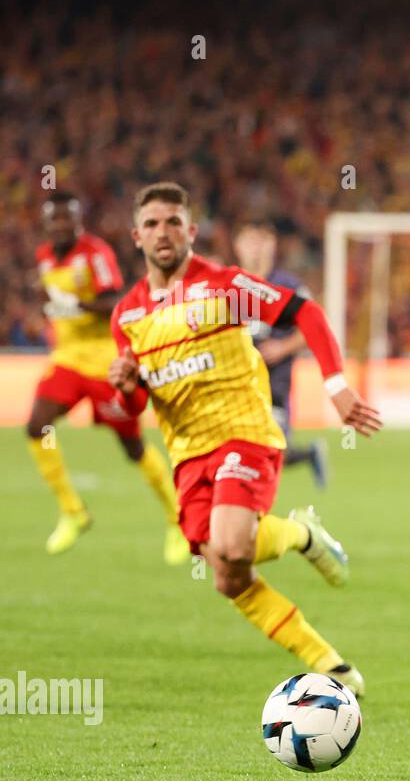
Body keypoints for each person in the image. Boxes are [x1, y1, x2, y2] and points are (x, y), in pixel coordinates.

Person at [106, 183, 382, 698]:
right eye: (151, 224)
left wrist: (337, 388)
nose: (162, 232)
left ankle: (300, 538)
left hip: (244, 433)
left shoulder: (225, 286)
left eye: (173, 222)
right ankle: (330, 659)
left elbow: (307, 313)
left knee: (234, 545)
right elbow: (136, 405)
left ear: (191, 231)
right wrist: (125, 387)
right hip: (187, 453)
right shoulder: (126, 317)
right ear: (135, 236)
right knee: (229, 577)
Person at [26, 193, 188, 561]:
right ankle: (72, 510)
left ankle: (176, 519)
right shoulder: (44, 258)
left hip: (105, 362)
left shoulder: (95, 254)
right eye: (55, 220)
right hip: (67, 360)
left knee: (133, 449)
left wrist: (77, 305)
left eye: (67, 219)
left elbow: (114, 301)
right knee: (38, 427)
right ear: (47, 223)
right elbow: (53, 301)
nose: (61, 226)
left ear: (78, 220)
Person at [233, 220, 328, 488]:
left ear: (272, 244)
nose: (256, 249)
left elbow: (313, 327)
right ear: (237, 245)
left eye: (262, 241)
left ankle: (254, 516)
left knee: (270, 452)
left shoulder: (288, 285)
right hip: (235, 384)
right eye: (250, 241)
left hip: (275, 384)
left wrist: (282, 347)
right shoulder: (227, 284)